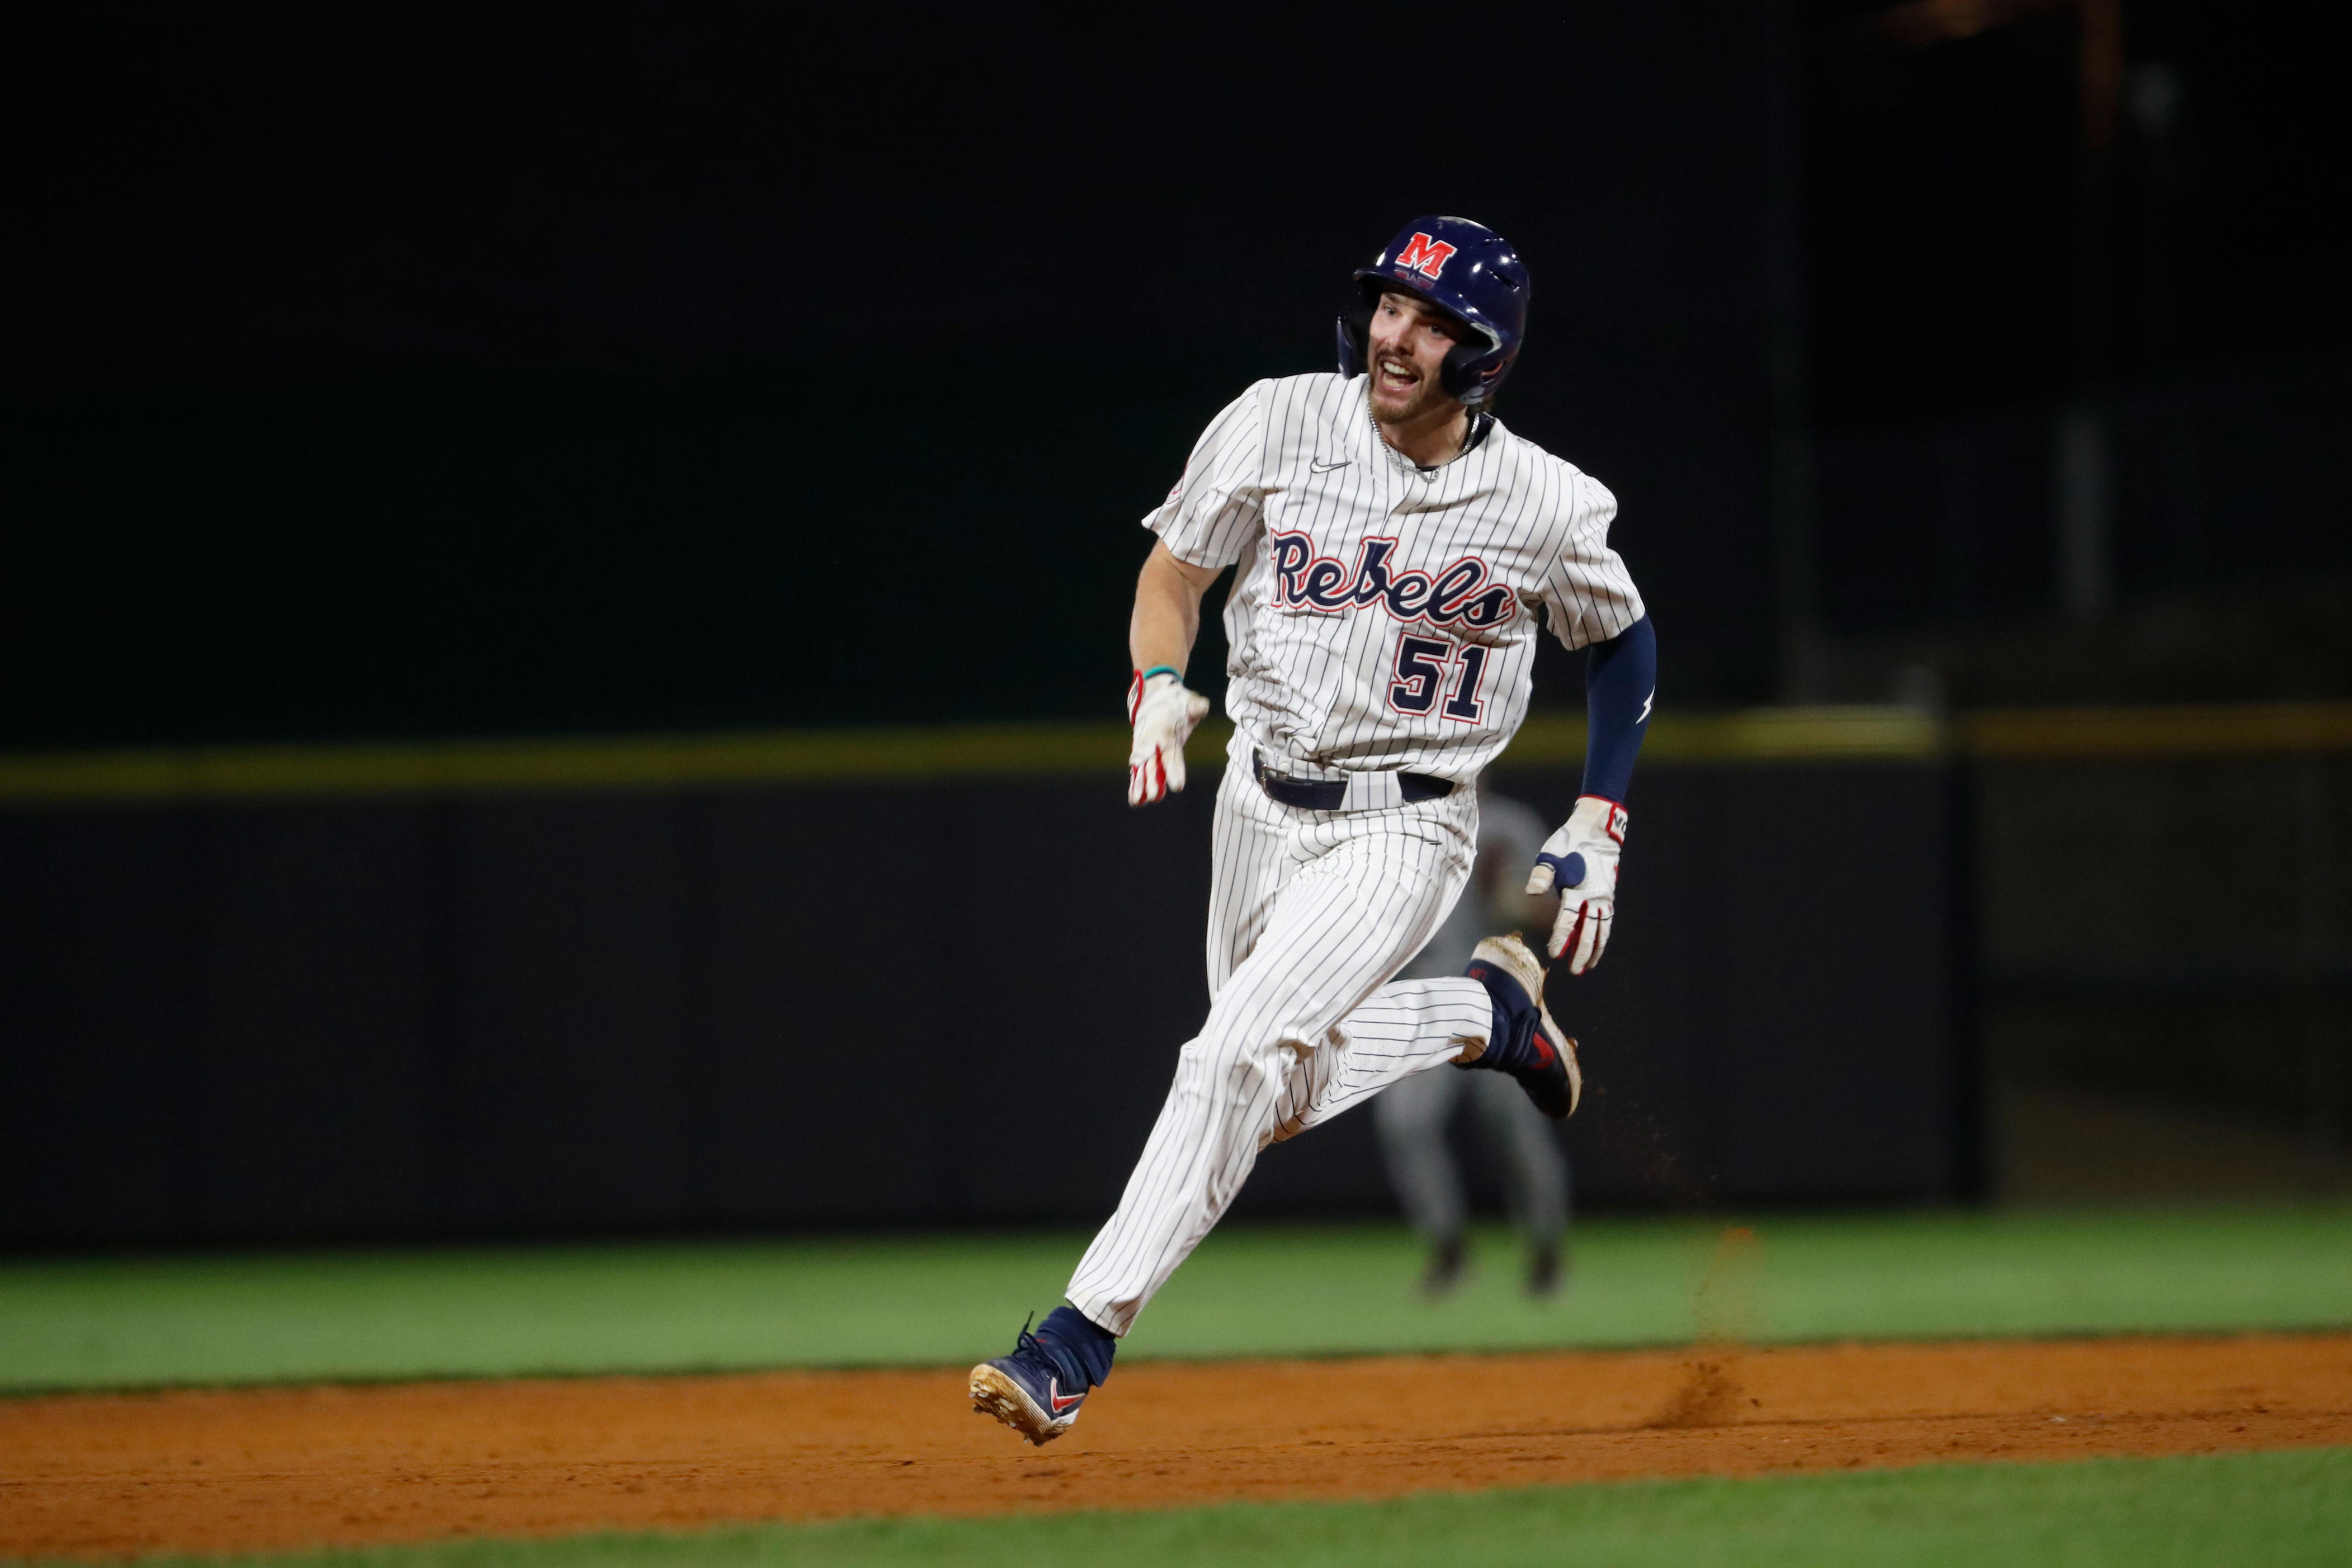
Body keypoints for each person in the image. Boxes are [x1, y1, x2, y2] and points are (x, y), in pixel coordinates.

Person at [969, 216, 1656, 1444]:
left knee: (1227, 1060)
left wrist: (1599, 816)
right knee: (1271, 1091)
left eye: (1435, 321)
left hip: (1406, 825)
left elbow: (1622, 640)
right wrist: (1158, 681)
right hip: (1257, 801)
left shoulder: (1545, 500)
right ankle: (1482, 1015)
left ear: (1486, 354)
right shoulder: (1279, 418)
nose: (1398, 333)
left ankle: (1075, 1337)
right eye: (1393, 304)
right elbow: (1173, 574)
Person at [1376, 780, 1574, 1300]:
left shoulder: (1509, 824)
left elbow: (1549, 913)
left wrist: (1509, 898)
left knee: (1510, 1125)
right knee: (1406, 1122)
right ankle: (1448, 1249)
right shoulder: (1399, 824)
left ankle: (1546, 1245)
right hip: (1424, 993)